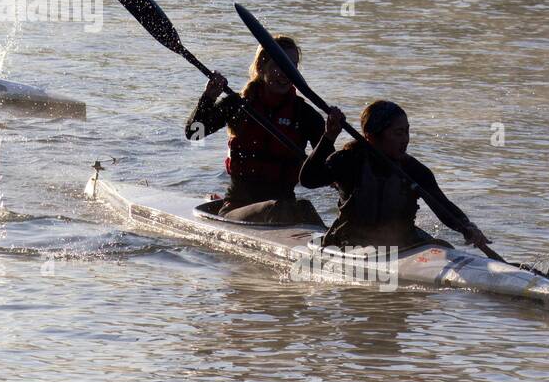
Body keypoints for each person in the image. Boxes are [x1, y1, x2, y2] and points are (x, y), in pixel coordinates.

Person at [300, 100, 491, 251]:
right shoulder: (348, 161)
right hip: (350, 242)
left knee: (443, 247)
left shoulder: (415, 170)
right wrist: (329, 137)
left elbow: (442, 206)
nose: (406, 139)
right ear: (372, 136)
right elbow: (308, 179)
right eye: (398, 133)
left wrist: (466, 227)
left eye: (407, 132)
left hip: (402, 243)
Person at [184, 38, 327, 224]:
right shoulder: (238, 105)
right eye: (279, 65)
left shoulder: (306, 115)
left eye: (292, 66)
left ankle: (334, 245)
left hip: (284, 207)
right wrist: (208, 98)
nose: (285, 74)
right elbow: (194, 134)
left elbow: (326, 173)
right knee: (276, 207)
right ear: (262, 66)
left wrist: (330, 136)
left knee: (303, 206)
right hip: (236, 208)